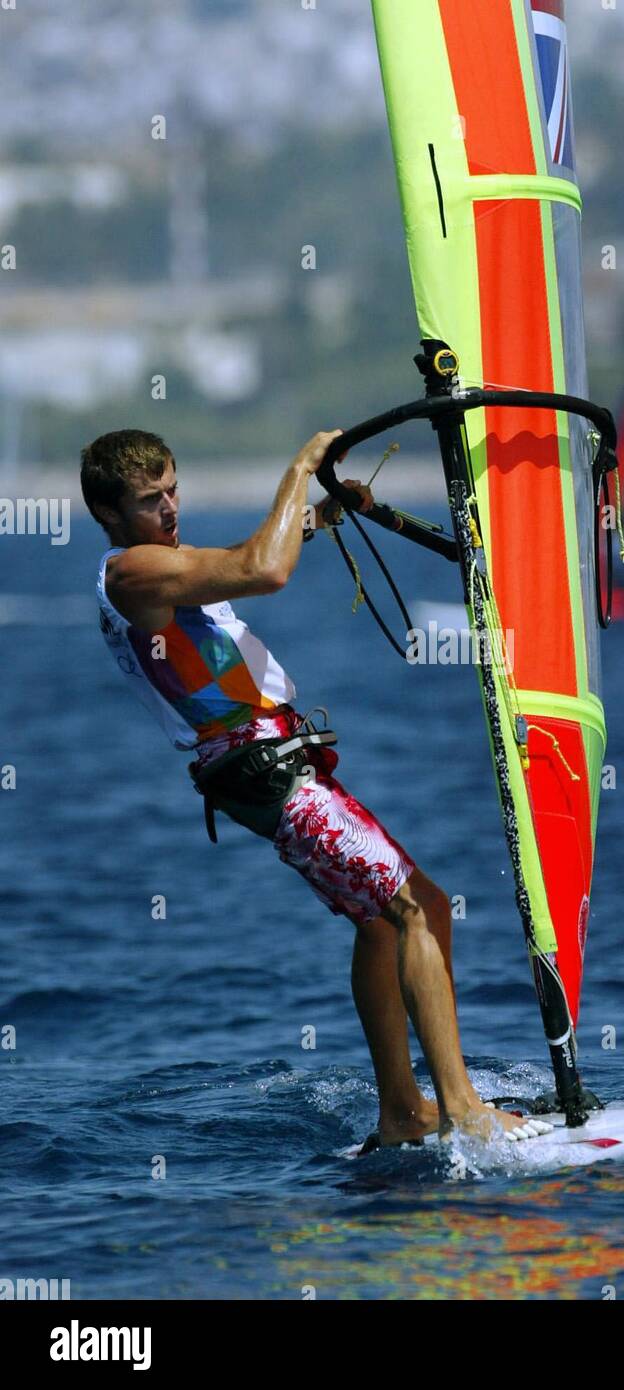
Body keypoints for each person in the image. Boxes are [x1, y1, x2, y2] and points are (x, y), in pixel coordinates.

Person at [81, 428, 550, 1150]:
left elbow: (254, 553)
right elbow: (263, 570)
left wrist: (320, 517)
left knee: (379, 920)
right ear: (109, 517)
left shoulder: (162, 562)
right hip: (262, 768)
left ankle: (401, 1112)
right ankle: (463, 1108)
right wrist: (300, 466)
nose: (171, 507)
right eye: (150, 501)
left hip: (265, 766)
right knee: (418, 908)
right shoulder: (132, 574)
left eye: (174, 488)